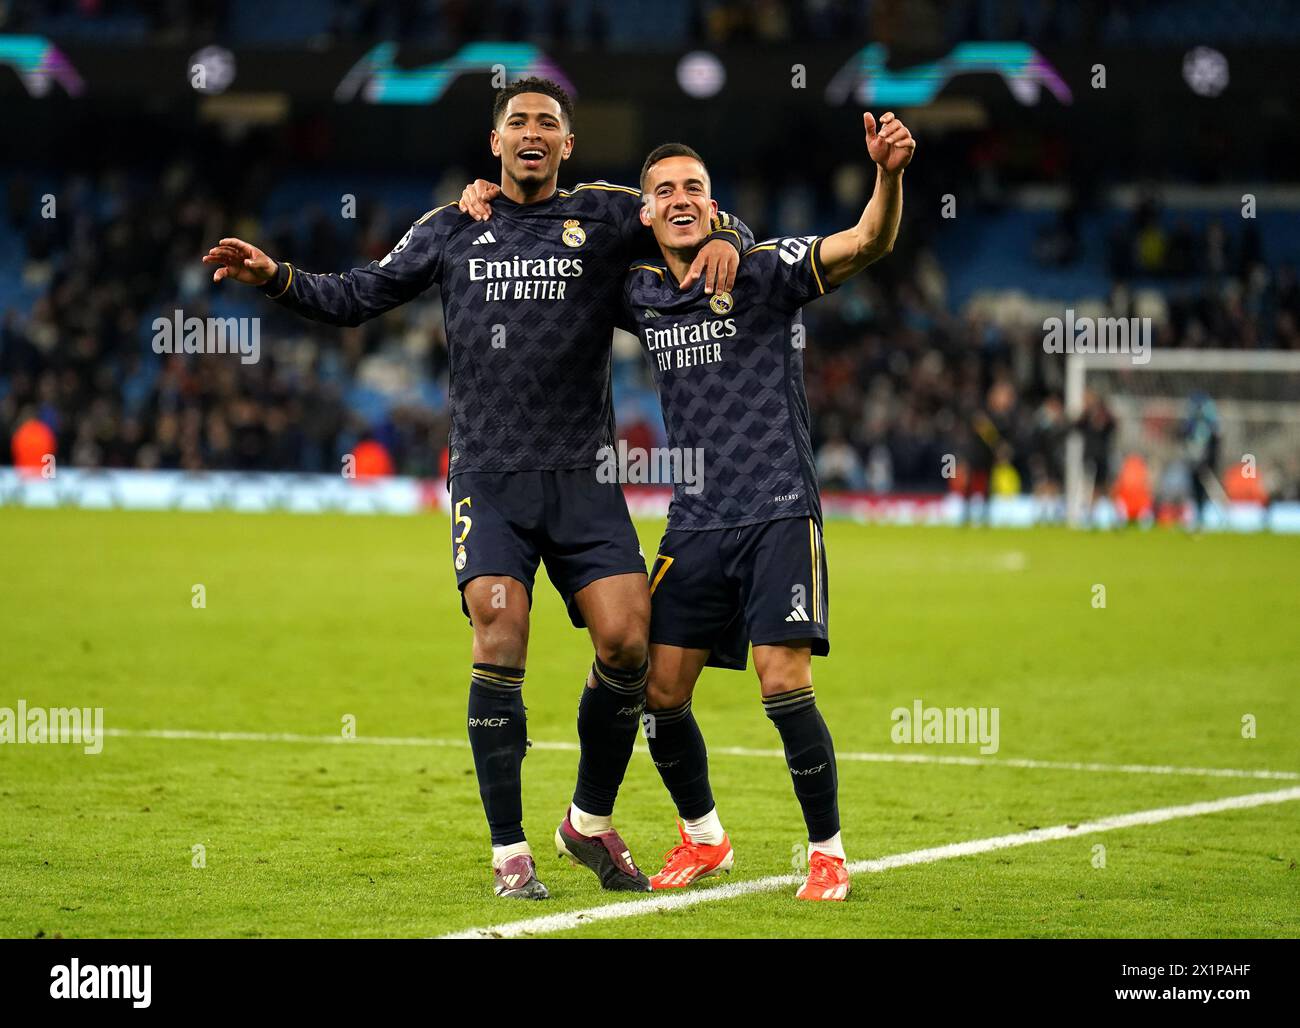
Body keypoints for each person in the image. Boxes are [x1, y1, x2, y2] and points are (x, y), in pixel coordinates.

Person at [203, 77, 753, 900]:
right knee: (500, 631)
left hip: (584, 478)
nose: (532, 131)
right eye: (517, 122)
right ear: (495, 143)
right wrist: (277, 276)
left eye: (549, 123)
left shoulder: (604, 215)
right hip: (489, 480)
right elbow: (359, 296)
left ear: (567, 145)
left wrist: (732, 240)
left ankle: (588, 822)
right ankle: (510, 854)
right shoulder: (452, 226)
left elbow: (691, 214)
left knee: (629, 641)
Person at [622, 111, 914, 900]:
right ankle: (704, 837)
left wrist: (887, 176)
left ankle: (827, 852)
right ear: (644, 210)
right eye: (664, 191)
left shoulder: (763, 269)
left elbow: (865, 244)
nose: (682, 199)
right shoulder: (638, 291)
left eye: (696, 189)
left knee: (781, 683)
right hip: (695, 521)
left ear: (713, 206)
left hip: (779, 506)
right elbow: (562, 238)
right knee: (656, 692)